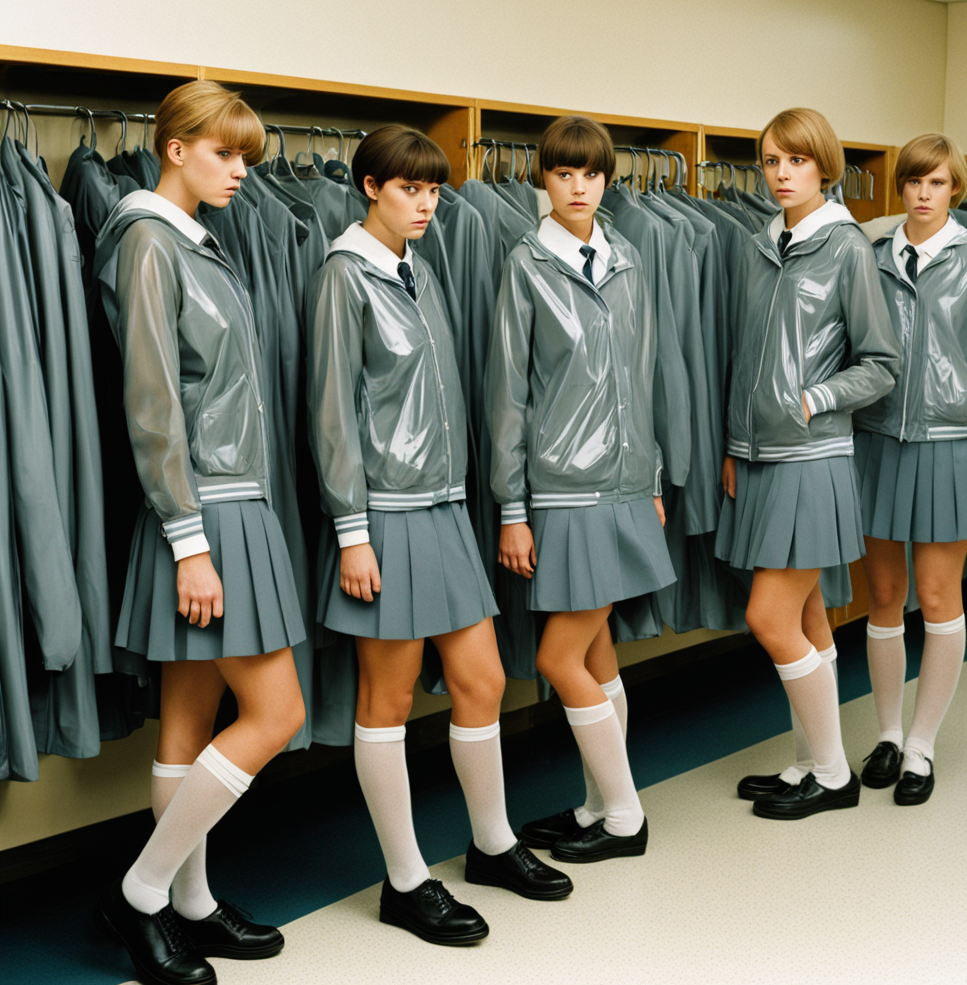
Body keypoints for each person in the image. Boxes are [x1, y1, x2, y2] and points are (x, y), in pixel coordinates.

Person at [306, 124, 570, 947]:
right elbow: (332, 415)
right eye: (408, 189)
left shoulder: (415, 268)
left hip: (445, 510)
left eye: (432, 191)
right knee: (385, 701)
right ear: (371, 189)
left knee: (482, 681)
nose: (424, 204)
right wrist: (353, 533)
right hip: (382, 515)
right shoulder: (343, 275)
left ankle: (491, 843)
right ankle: (405, 879)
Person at [93, 81, 307, 985]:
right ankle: (139, 896)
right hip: (204, 510)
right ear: (175, 147)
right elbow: (153, 407)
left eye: (248, 156)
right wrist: (190, 543)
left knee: (188, 719)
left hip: (230, 501)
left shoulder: (197, 244)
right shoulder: (147, 242)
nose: (241, 171)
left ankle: (190, 903)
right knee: (276, 712)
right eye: (226, 153)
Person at [485, 115, 677, 862]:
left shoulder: (629, 256)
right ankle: (611, 807)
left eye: (591, 174)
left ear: (607, 180)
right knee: (579, 656)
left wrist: (653, 473)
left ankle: (617, 813)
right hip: (563, 490)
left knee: (582, 657)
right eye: (564, 173)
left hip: (627, 485)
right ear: (545, 179)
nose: (578, 187)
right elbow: (508, 396)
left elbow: (644, 375)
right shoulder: (525, 263)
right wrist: (512, 509)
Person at [718, 107, 901, 820]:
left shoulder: (846, 247)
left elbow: (881, 364)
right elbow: (744, 359)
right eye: (770, 161)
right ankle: (808, 762)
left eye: (795, 160)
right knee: (812, 617)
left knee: (769, 616)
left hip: (811, 454)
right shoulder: (760, 244)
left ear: (823, 165)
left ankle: (833, 776)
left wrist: (813, 398)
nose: (781, 174)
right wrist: (738, 445)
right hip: (760, 457)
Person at [853, 133, 967, 804]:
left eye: (937, 183)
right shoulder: (869, 252)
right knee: (884, 594)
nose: (923, 194)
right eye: (914, 182)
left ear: (957, 189)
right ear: (902, 187)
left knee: (940, 594)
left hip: (951, 443)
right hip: (879, 440)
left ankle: (922, 746)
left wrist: (964, 399)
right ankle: (888, 735)